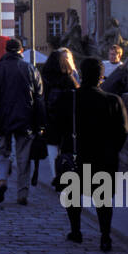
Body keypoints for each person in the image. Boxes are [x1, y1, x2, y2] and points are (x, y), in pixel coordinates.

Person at [61, 58, 128, 251]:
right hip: (104, 157)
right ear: (101, 77)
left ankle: (76, 231)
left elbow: (59, 125)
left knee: (73, 196)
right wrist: (113, 149)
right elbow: (124, 131)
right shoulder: (113, 100)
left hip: (76, 155)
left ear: (81, 74)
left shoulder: (70, 98)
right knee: (103, 199)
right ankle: (105, 236)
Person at [0, 38, 46, 205]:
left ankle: (1, 180)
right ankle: (22, 193)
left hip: (1, 119)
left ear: (6, 51)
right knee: (23, 158)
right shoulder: (30, 69)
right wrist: (40, 124)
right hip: (26, 119)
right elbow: (40, 99)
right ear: (21, 51)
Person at [40, 48, 80, 186]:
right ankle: (66, 175)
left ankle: (55, 174)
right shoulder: (68, 78)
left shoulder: (45, 77)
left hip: (50, 119)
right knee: (67, 149)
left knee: (52, 148)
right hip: (67, 119)